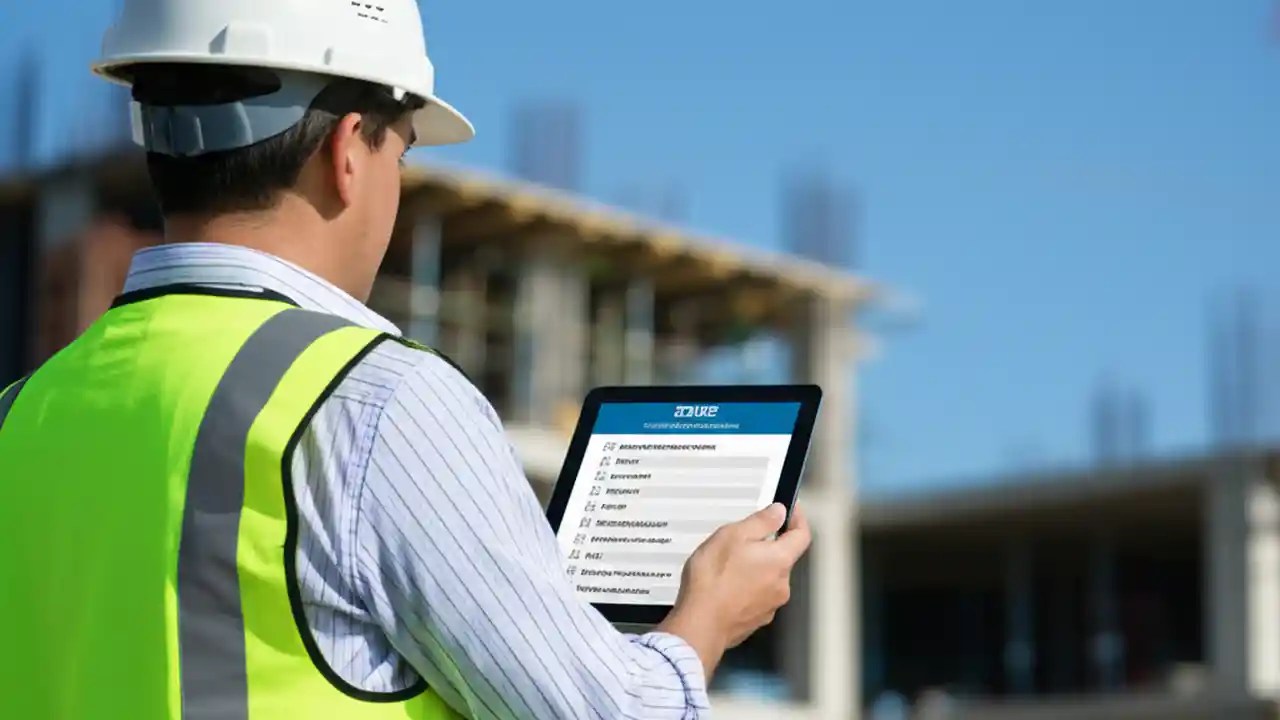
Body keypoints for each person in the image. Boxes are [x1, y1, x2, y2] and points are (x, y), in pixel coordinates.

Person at [0, 1, 812, 718]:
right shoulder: (376, 402)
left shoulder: (21, 413)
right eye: (405, 153)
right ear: (349, 152)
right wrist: (709, 615)